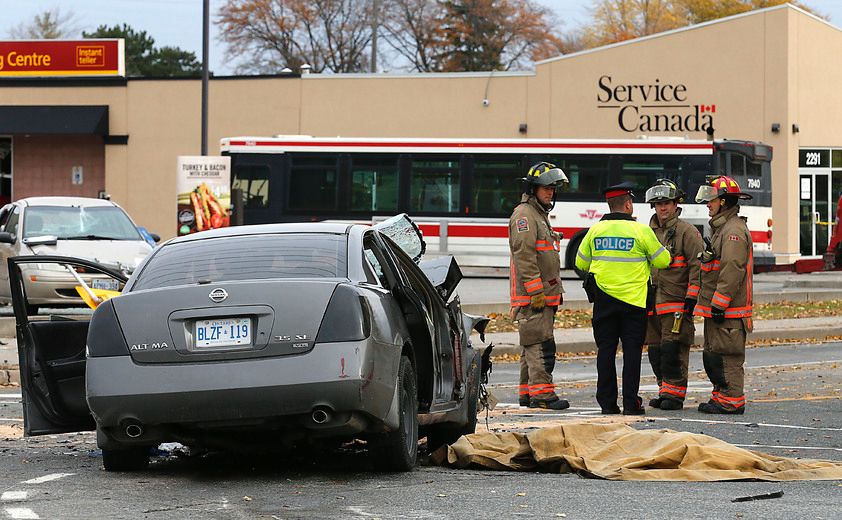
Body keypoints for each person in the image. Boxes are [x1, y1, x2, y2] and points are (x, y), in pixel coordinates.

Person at [575, 182, 670, 415]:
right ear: (628, 205)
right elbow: (663, 261)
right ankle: (630, 404)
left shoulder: (595, 230)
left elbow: (580, 263)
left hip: (604, 302)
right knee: (632, 354)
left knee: (605, 352)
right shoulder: (641, 231)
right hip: (634, 303)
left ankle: (607, 404)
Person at [509, 162, 570, 410]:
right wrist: (536, 291)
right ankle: (543, 396)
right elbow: (524, 255)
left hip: (544, 293)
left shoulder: (537, 214)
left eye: (553, 189)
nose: (550, 193)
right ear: (533, 188)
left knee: (530, 345)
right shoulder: (525, 215)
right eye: (546, 189)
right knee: (540, 345)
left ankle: (528, 393)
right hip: (535, 295)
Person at [693, 175, 754, 414]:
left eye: (712, 199)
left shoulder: (733, 231)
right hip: (719, 309)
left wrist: (719, 303)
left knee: (728, 357)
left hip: (729, 310)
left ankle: (731, 401)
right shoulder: (722, 229)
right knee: (715, 355)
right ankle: (720, 397)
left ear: (725, 202)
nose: (708, 203)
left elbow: (732, 269)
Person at [644, 179, 704, 411]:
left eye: (667, 203)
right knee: (655, 350)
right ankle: (664, 389)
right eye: (658, 204)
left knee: (674, 349)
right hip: (653, 304)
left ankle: (675, 394)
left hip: (677, 303)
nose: (663, 208)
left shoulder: (687, 232)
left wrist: (691, 298)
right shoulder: (647, 233)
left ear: (676, 203)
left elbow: (697, 267)